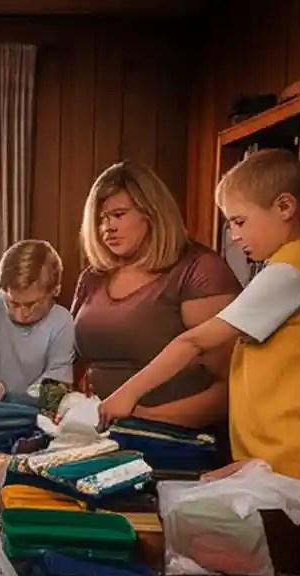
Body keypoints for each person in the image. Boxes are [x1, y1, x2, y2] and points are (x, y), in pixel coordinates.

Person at [98, 148, 300, 491]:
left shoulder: (292, 272)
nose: (234, 236)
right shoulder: (296, 268)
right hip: (277, 461)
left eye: (240, 222)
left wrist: (126, 394)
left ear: (284, 208)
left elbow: (192, 341)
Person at [72, 160, 242, 430]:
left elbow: (231, 385)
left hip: (173, 438)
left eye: (118, 215)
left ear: (151, 213)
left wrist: (144, 418)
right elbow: (80, 368)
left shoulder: (199, 270)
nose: (107, 228)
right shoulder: (92, 278)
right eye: (101, 219)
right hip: (96, 435)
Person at [0, 239, 75, 403]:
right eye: (13, 303)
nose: (21, 314)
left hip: (36, 413)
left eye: (31, 304)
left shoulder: (62, 321)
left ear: (54, 290)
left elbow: (56, 381)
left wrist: (19, 403)